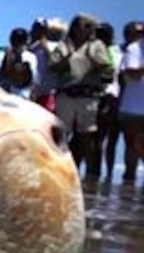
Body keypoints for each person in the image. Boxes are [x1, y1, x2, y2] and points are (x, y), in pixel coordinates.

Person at [49, 14, 115, 180]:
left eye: (90, 27)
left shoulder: (96, 45)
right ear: (75, 27)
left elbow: (107, 68)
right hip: (66, 94)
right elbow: (53, 65)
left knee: (86, 135)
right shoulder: (65, 44)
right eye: (86, 26)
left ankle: (89, 173)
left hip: (88, 96)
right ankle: (58, 168)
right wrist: (66, 58)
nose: (88, 30)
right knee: (62, 133)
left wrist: (94, 61)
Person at [91, 21, 122, 181]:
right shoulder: (92, 50)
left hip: (113, 97)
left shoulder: (116, 52)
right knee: (96, 138)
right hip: (96, 96)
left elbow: (115, 75)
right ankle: (94, 171)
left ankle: (108, 173)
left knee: (112, 138)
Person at [116, 21, 144, 185]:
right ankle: (128, 183)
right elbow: (132, 74)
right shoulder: (133, 49)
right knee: (132, 146)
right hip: (133, 108)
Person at [27, 17, 65, 111]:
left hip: (46, 94)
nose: (37, 32)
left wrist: (45, 47)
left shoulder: (53, 46)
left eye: (41, 29)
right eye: (36, 28)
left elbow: (55, 63)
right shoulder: (28, 48)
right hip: (29, 93)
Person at [0, 27, 35, 98]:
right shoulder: (3, 54)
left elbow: (31, 78)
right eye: (15, 39)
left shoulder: (30, 57)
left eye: (20, 39)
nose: (17, 42)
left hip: (23, 94)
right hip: (4, 93)